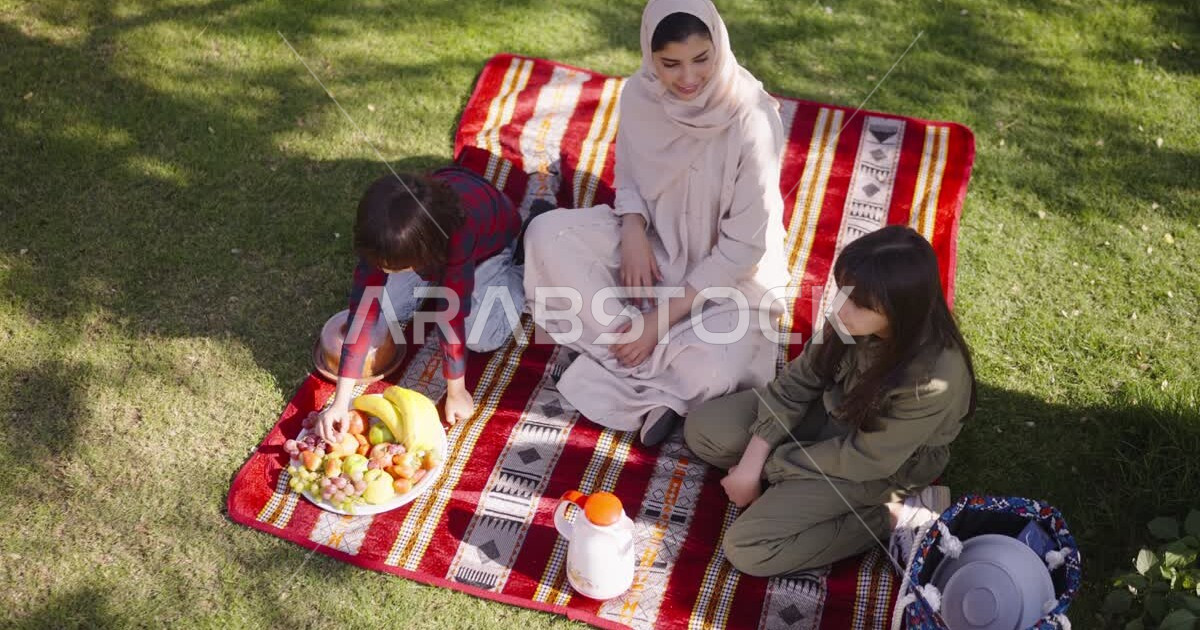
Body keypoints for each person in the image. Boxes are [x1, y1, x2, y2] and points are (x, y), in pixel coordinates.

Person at [522, 0, 789, 446]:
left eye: (702, 60)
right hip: (655, 246)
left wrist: (658, 322)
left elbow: (744, 247)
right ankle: (659, 375)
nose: (687, 79)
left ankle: (625, 355)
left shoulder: (754, 121)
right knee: (547, 236)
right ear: (651, 57)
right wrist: (631, 227)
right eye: (670, 64)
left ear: (719, 47)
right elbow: (628, 171)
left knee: (721, 364)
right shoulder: (640, 94)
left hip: (730, 279)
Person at [684, 225, 977, 576]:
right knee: (703, 430)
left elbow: (867, 458)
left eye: (858, 303)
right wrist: (752, 461)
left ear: (899, 312)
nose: (839, 307)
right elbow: (802, 377)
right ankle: (792, 482)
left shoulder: (933, 378)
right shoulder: (852, 317)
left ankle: (890, 514)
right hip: (831, 416)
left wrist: (770, 465)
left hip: (876, 465)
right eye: (843, 291)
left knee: (748, 548)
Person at [315, 168, 523, 445]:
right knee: (386, 309)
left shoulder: (460, 236)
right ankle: (436, 278)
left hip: (492, 244)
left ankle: (521, 270)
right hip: (429, 241)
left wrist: (457, 391)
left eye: (390, 267)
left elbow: (451, 315)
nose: (382, 270)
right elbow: (365, 306)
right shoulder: (386, 232)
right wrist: (341, 402)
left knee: (480, 336)